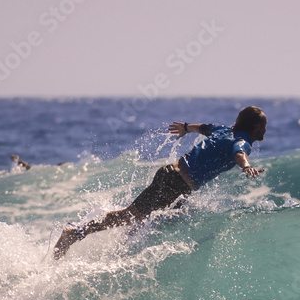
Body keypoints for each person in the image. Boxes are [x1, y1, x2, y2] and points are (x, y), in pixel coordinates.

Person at [54, 106, 267, 259]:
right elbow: (239, 153)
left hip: (173, 176)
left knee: (149, 219)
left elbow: (204, 127)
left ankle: (117, 254)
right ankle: (76, 233)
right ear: (256, 126)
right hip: (176, 183)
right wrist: (246, 167)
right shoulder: (243, 142)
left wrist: (185, 127)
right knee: (131, 215)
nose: (265, 130)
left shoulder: (224, 130)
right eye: (264, 126)